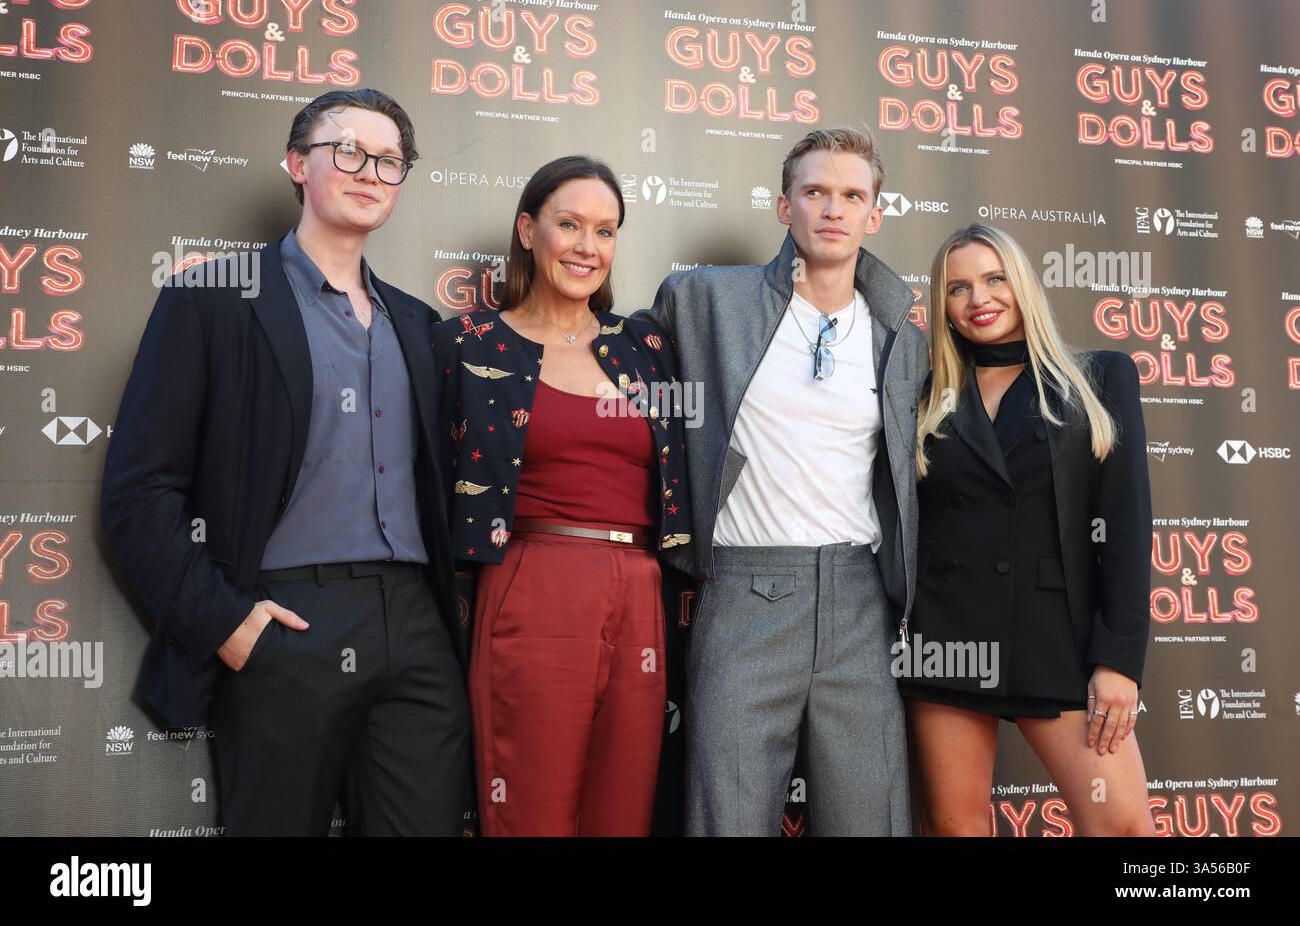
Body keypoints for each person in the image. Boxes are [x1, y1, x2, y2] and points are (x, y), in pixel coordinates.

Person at [100, 88, 471, 836]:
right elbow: (139, 494)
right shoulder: (210, 300)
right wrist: (230, 624)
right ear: (297, 163)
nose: (371, 170)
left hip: (417, 628)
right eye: (349, 151)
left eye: (391, 160)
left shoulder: (422, 325)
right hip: (289, 622)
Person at [639, 127, 927, 836]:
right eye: (816, 192)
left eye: (852, 195)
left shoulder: (902, 338)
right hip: (743, 594)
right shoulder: (705, 300)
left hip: (861, 600)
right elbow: (620, 382)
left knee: (871, 819)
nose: (834, 209)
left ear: (874, 214)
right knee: (725, 817)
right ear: (783, 206)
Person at [432, 155, 693, 836]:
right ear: (527, 229)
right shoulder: (465, 345)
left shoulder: (646, 347)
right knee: (532, 809)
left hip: (641, 591)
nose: (588, 246)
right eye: (569, 224)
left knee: (624, 812)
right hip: (536, 582)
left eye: (606, 231)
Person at [900, 222, 1155, 836]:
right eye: (957, 288)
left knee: (1122, 828)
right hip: (947, 639)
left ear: (1023, 285)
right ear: (943, 306)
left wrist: (1118, 660)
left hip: (1056, 637)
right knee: (957, 829)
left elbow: (1126, 527)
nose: (978, 299)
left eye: (994, 279)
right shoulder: (922, 390)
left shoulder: (1100, 377)